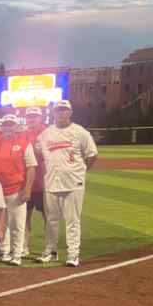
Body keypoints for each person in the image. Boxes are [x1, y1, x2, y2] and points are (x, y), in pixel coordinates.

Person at [36, 100, 98, 267]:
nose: (61, 113)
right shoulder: (45, 134)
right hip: (51, 182)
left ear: (70, 112)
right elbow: (37, 151)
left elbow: (92, 154)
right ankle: (51, 252)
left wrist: (81, 171)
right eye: (58, 110)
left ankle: (73, 254)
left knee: (72, 221)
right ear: (54, 113)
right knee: (51, 220)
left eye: (64, 110)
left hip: (73, 184)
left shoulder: (80, 132)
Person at [0, 115, 37, 266]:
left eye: (11, 125)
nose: (8, 128)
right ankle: (4, 252)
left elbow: (31, 167)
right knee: (2, 223)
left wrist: (28, 189)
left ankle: (17, 254)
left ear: (16, 127)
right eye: (6, 125)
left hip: (16, 190)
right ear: (2, 126)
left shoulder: (24, 143)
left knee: (17, 224)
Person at [22, 106, 47, 257]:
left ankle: (49, 248)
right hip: (27, 183)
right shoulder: (22, 134)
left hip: (45, 183)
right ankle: (24, 246)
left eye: (35, 116)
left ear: (41, 117)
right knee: (25, 216)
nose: (32, 119)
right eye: (30, 116)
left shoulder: (48, 133)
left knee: (48, 217)